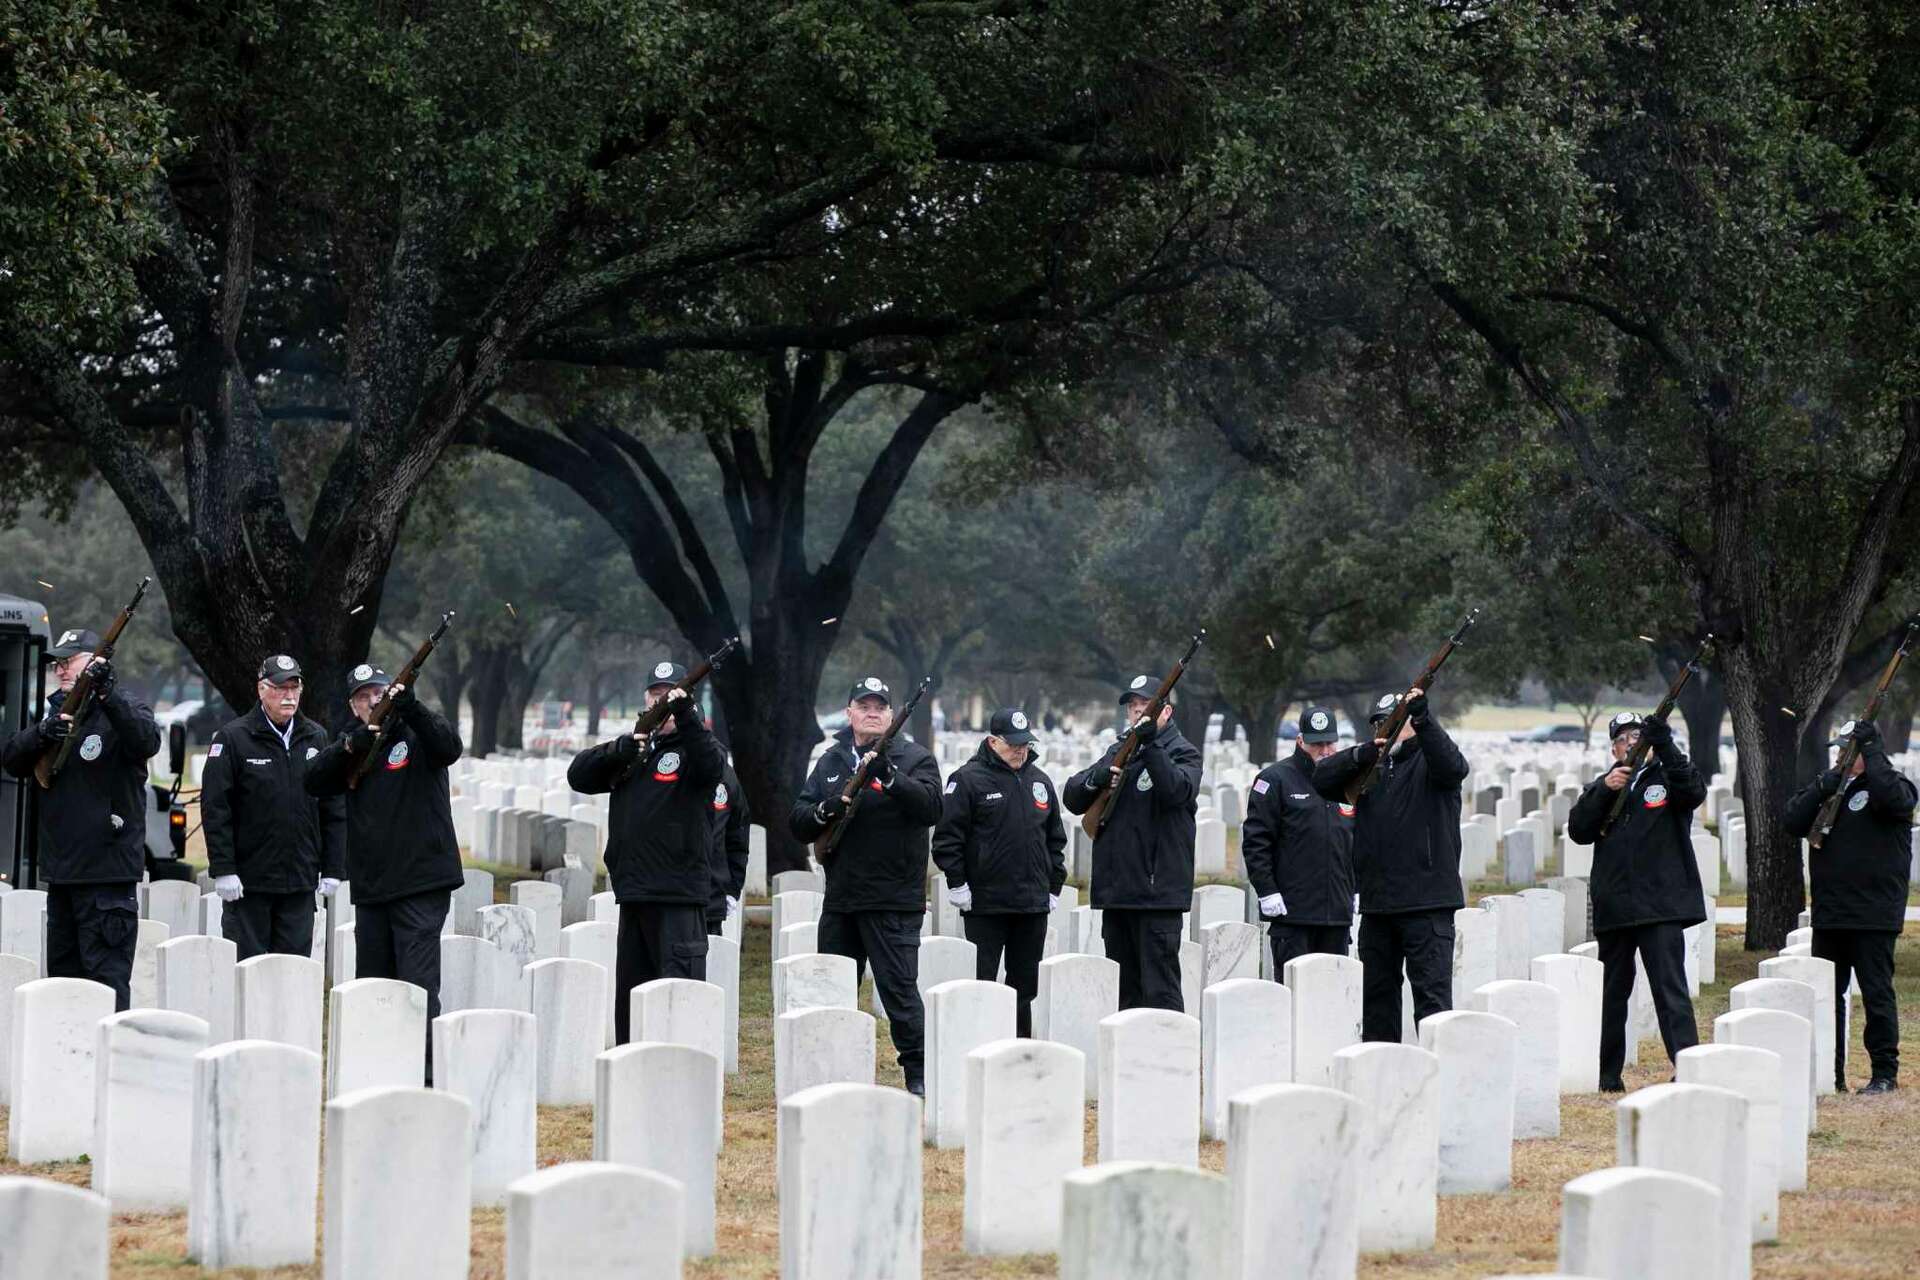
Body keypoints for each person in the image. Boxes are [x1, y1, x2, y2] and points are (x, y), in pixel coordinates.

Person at [790, 676, 943, 1095]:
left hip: (894, 901)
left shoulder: (915, 759)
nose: (872, 712)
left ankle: (919, 1073)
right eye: (864, 705)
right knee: (834, 990)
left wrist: (889, 777)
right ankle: (831, 1068)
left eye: (880, 706)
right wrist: (825, 809)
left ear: (891, 715)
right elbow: (800, 819)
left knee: (900, 995)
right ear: (850, 713)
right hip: (842, 899)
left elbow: (931, 807)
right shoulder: (832, 760)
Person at [306, 663, 464, 1068]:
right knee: (374, 985)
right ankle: (378, 1067)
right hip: (373, 889)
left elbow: (449, 746)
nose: (372, 701)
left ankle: (424, 1071)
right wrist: (353, 744)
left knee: (417, 986)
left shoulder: (418, 732)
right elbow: (313, 780)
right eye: (363, 696)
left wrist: (410, 706)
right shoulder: (355, 744)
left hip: (420, 884)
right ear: (354, 706)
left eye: (378, 692)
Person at [1, 626, 158, 1010]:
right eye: (57, 663)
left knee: (106, 986)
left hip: (107, 876)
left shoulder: (122, 709)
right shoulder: (57, 714)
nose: (60, 669)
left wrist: (108, 693)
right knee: (63, 986)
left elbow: (145, 740)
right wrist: (42, 733)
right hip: (63, 874)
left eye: (69, 661)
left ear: (96, 662)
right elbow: (13, 760)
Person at [569, 660, 724, 1045]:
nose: (662, 702)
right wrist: (618, 749)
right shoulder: (635, 750)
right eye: (656, 695)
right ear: (646, 700)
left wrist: (685, 714)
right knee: (633, 1002)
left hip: (678, 895)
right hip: (635, 893)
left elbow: (712, 767)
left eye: (669, 695)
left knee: (678, 999)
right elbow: (578, 775)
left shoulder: (696, 750)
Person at [1313, 688, 1468, 1042]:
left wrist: (1424, 721)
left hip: (1427, 904)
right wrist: (1366, 752)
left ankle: (1437, 1083)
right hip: (1378, 904)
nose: (1389, 729)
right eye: (1382, 724)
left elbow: (1455, 767)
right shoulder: (1369, 768)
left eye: (1396, 722)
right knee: (1377, 1002)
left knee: (1432, 1002)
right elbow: (1322, 780)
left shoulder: (1432, 761)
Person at [1567, 711, 1706, 1090]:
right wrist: (1604, 789)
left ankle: (1687, 1066)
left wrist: (1665, 745)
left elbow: (1694, 790)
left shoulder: (1668, 777)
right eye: (1623, 738)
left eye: (1637, 737)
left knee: (1669, 990)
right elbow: (1579, 829)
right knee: (1612, 995)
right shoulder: (1607, 784)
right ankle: (1606, 1074)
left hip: (1660, 904)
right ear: (1613, 748)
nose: (1631, 743)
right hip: (1615, 906)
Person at [1784, 717, 1914, 1094]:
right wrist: (1824, 784)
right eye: (1839, 750)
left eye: (1846, 750)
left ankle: (1883, 1072)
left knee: (1876, 994)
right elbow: (1792, 820)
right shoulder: (1830, 789)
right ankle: (1831, 1072)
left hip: (1873, 912)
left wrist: (1873, 752)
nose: (1840, 756)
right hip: (1831, 911)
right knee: (1829, 997)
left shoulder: (1890, 785)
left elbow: (1897, 800)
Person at [1062, 674, 1202, 1012]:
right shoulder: (1119, 749)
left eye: (1145, 707)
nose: (1137, 713)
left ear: (1165, 713)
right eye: (1133, 707)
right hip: (1117, 893)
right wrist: (1098, 778)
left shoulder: (1184, 753)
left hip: (1157, 895)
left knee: (1160, 991)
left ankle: (1167, 1059)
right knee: (1124, 992)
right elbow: (1073, 797)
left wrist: (1151, 745)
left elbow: (1175, 791)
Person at [199, 655, 345, 960]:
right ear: (262, 690)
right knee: (247, 972)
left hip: (299, 881)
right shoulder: (233, 738)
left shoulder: (315, 736)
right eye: (280, 688)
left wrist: (332, 867)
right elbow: (216, 809)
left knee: (292, 973)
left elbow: (331, 807)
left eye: (295, 687)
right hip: (249, 883)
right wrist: (224, 869)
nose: (289, 696)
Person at [932, 707, 1067, 1037]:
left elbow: (1055, 838)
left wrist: (1053, 885)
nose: (1021, 751)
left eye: (1025, 744)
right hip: (986, 903)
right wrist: (957, 883)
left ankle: (1019, 1047)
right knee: (984, 983)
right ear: (993, 741)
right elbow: (948, 838)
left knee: (1025, 986)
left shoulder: (1040, 780)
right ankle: (981, 1043)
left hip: (1031, 904)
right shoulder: (967, 780)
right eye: (1013, 744)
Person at [1242, 705, 1355, 975]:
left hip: (1336, 913)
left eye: (1330, 742)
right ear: (1300, 740)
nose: (1325, 750)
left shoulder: (1348, 781)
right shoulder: (1274, 780)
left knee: (1333, 995)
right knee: (1295, 997)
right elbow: (1257, 842)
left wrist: (1359, 886)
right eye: (1317, 744)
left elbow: (1358, 841)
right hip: (1293, 913)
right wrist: (1267, 889)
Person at [706, 758, 751, 937]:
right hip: (657, 897)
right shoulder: (649, 761)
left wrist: (732, 889)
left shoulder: (724, 772)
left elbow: (737, 836)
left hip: (710, 898)